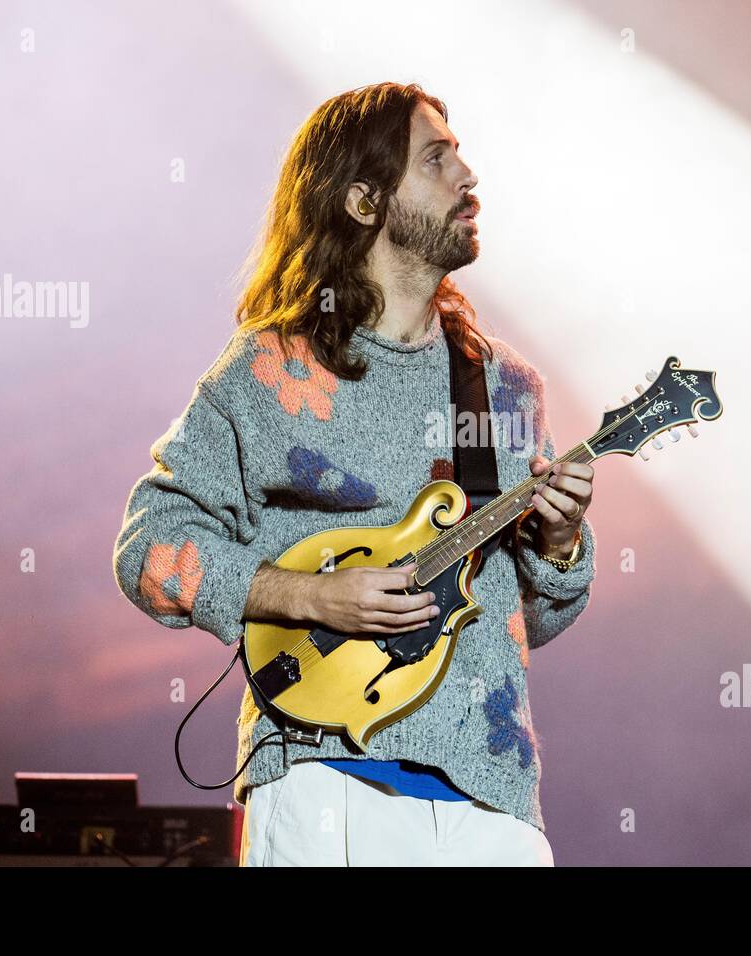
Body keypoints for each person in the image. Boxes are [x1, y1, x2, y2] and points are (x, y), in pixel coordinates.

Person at [113, 82, 597, 866]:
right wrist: (309, 596)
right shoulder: (271, 368)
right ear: (365, 200)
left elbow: (530, 621)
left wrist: (562, 544)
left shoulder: (508, 388)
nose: (468, 177)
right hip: (323, 783)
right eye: (437, 160)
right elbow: (151, 546)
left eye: (461, 154)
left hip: (494, 804)